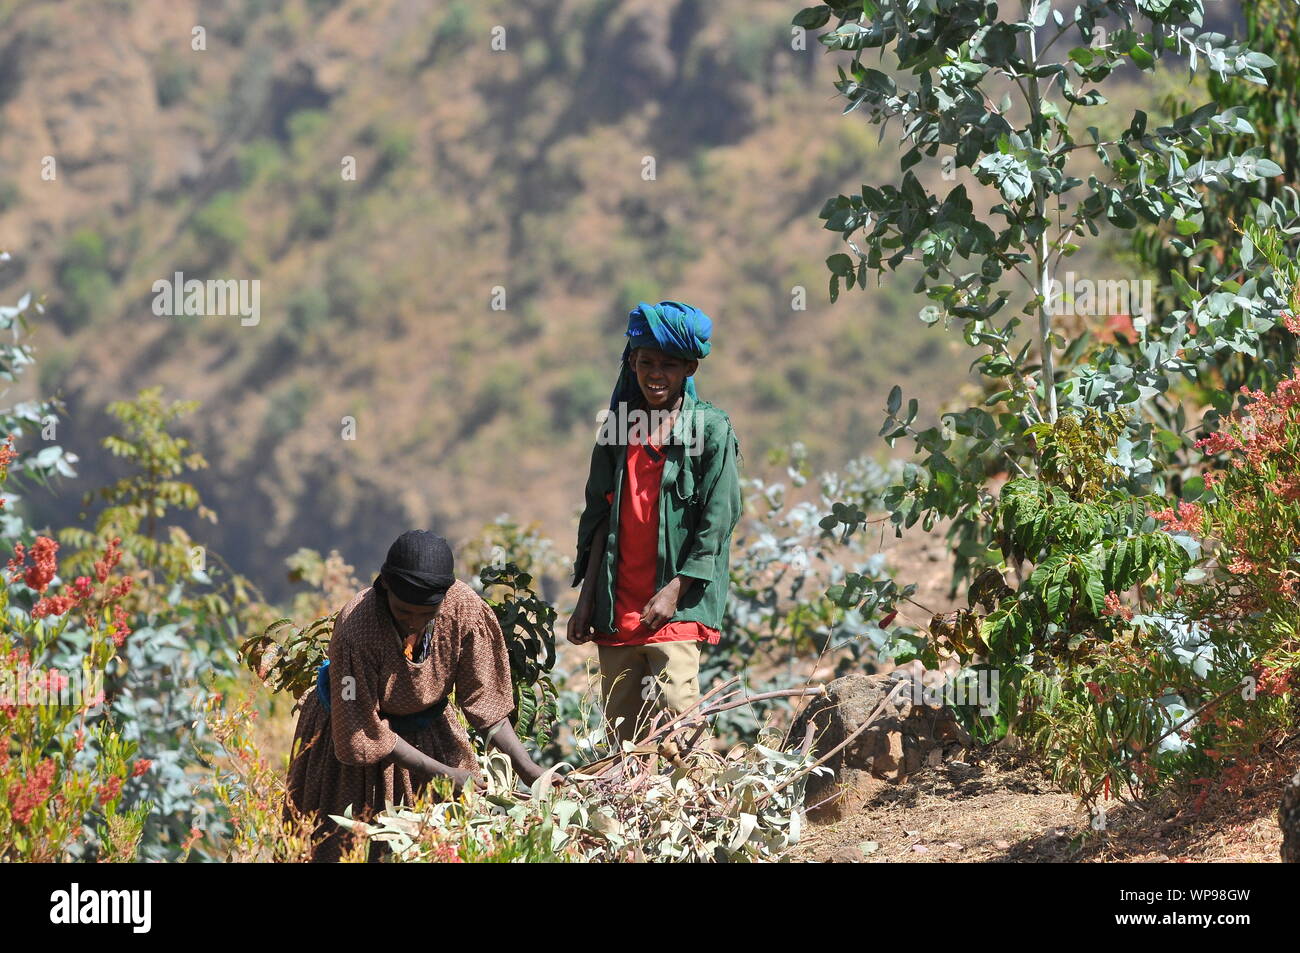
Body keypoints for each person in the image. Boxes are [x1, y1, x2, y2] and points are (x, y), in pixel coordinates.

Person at [285, 530, 547, 861]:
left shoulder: (465, 610)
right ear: (385, 590)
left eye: (427, 613)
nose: (414, 622)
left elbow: (486, 704)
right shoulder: (358, 628)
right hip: (351, 732)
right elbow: (360, 733)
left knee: (441, 844)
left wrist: (526, 767)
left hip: (430, 731)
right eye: (404, 610)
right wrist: (446, 775)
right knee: (351, 845)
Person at [568, 300, 741, 746]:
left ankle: (702, 808)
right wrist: (587, 600)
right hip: (616, 607)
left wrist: (675, 589)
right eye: (646, 362)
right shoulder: (617, 428)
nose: (655, 375)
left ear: (690, 367)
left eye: (668, 364)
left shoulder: (711, 429)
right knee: (623, 740)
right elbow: (599, 519)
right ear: (632, 362)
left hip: (676, 607)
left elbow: (718, 521)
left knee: (681, 723)